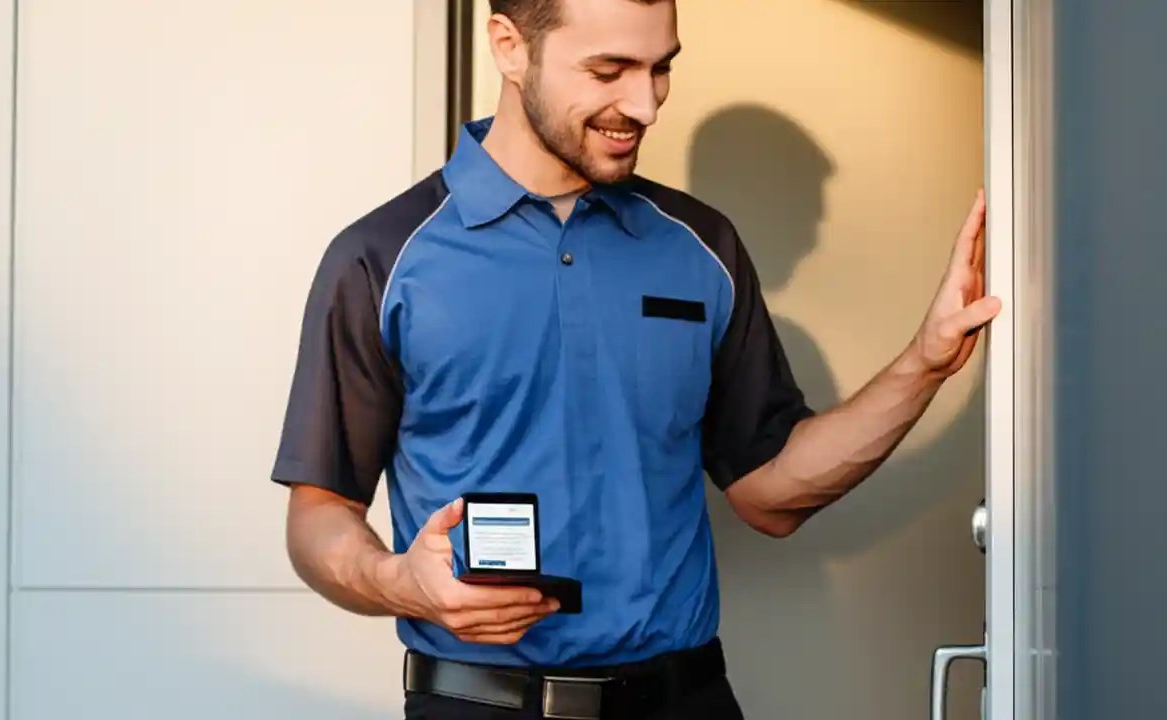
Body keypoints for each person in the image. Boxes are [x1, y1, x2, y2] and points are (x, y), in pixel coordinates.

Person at [269, 0, 1001, 717]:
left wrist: (926, 362)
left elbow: (770, 495)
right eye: (609, 69)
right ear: (508, 46)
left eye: (660, 69)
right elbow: (320, 512)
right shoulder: (382, 258)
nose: (645, 105)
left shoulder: (702, 248)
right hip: (477, 703)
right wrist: (401, 582)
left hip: (685, 699)